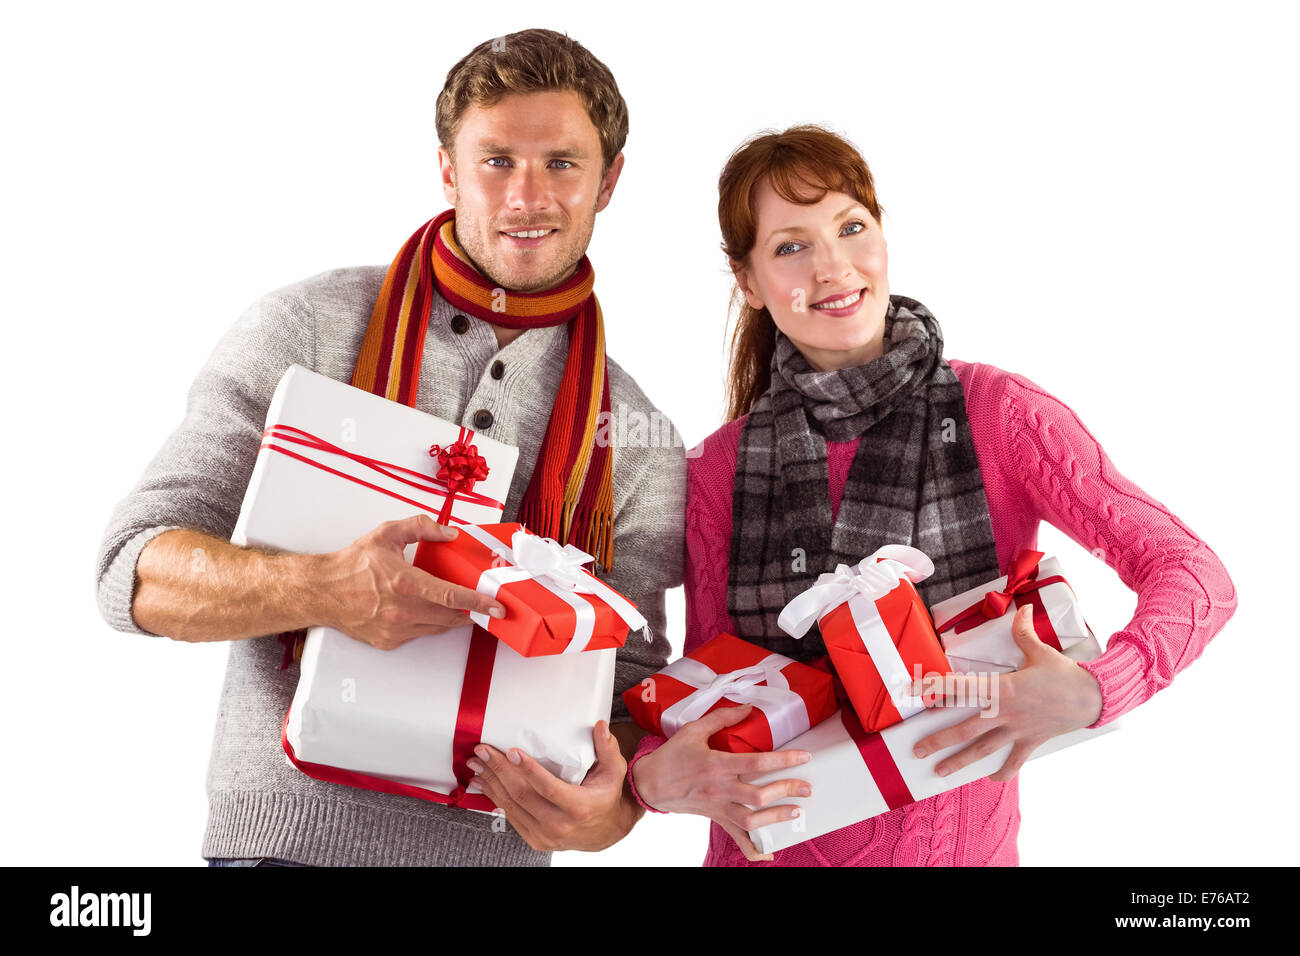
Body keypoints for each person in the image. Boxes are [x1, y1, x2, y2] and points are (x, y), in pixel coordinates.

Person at [94, 28, 686, 867]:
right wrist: (319, 589)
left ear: (609, 179)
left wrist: (609, 812)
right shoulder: (308, 327)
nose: (527, 196)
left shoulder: (638, 433)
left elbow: (625, 694)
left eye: (561, 163)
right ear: (448, 169)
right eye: (496, 161)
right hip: (282, 850)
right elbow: (130, 571)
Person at [626, 125, 1237, 866]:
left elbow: (1194, 574)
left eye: (851, 228)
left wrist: (1096, 690)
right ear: (748, 282)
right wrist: (651, 779)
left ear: (883, 236)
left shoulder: (1001, 415)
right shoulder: (716, 470)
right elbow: (704, 692)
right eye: (790, 246)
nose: (833, 266)